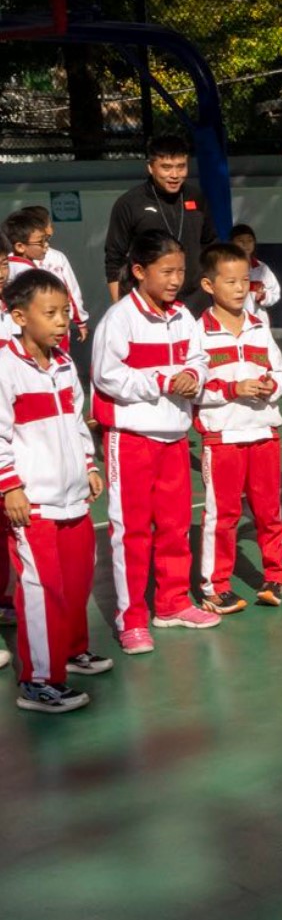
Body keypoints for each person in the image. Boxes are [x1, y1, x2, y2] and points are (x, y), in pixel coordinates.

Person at [92, 229, 216, 652]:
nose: (174, 279)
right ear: (140, 271)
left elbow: (199, 359)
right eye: (166, 271)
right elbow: (107, 376)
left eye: (180, 270)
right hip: (131, 439)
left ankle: (172, 604)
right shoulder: (119, 319)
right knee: (131, 533)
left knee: (175, 527)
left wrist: (194, 376)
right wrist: (164, 379)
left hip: (174, 438)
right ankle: (132, 620)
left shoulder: (184, 316)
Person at [0, 269, 109, 712]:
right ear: (19, 316)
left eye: (65, 311)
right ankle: (39, 681)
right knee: (42, 589)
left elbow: (77, 423)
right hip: (35, 504)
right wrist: (9, 488)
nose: (63, 320)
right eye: (51, 313)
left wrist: (88, 464)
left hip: (73, 498)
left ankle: (71, 650)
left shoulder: (64, 364)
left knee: (78, 579)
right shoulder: (5, 368)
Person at [193, 243, 282, 614]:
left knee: (270, 511)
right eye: (230, 281)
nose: (240, 288)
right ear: (208, 284)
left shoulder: (259, 327)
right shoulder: (197, 332)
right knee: (223, 516)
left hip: (264, 432)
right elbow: (194, 389)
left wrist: (272, 386)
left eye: (245, 281)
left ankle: (275, 576)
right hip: (223, 438)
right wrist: (233, 389)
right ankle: (215, 586)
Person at [103, 135, 217, 301]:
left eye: (181, 167)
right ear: (150, 167)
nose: (175, 175)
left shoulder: (198, 198)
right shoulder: (130, 203)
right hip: (150, 300)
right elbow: (114, 259)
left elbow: (211, 247)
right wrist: (119, 307)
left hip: (196, 300)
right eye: (166, 167)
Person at [20, 207, 87, 344]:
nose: (52, 227)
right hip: (33, 326)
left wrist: (80, 320)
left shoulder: (56, 257)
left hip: (35, 325)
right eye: (49, 223)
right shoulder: (56, 257)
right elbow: (71, 292)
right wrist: (81, 321)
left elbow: (70, 292)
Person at [229, 223, 281, 317]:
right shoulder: (226, 268)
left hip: (257, 321)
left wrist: (264, 296)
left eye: (250, 240)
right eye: (241, 241)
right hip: (232, 319)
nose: (246, 244)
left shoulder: (262, 268)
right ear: (232, 243)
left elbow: (275, 293)